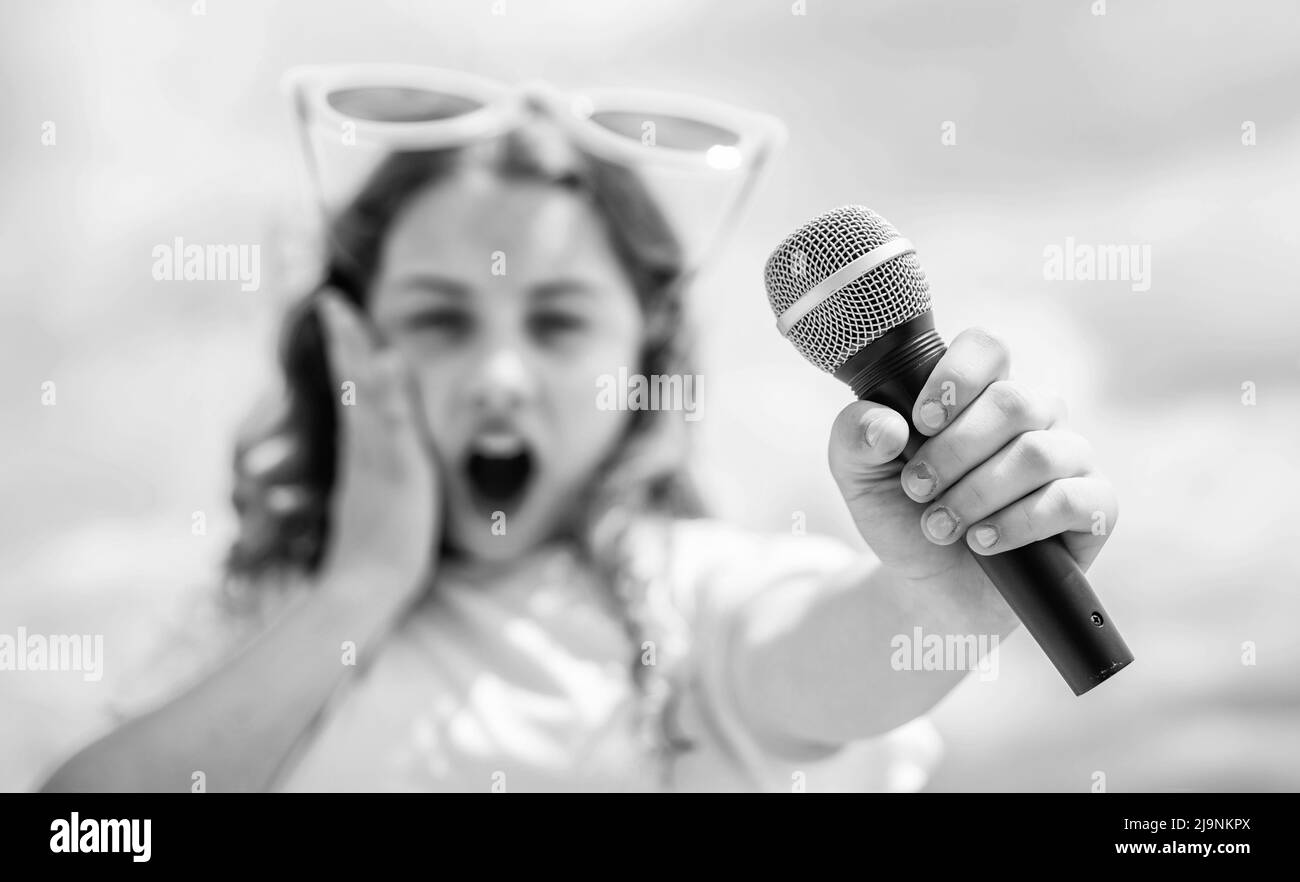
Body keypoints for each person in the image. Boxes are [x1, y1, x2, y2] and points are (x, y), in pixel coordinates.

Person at [38, 93, 1116, 794]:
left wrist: (926, 603)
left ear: (641, 362)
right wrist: (360, 583)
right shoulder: (257, 621)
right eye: (439, 319)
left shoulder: (695, 592)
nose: (499, 376)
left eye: (555, 323)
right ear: (348, 345)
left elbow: (814, 659)